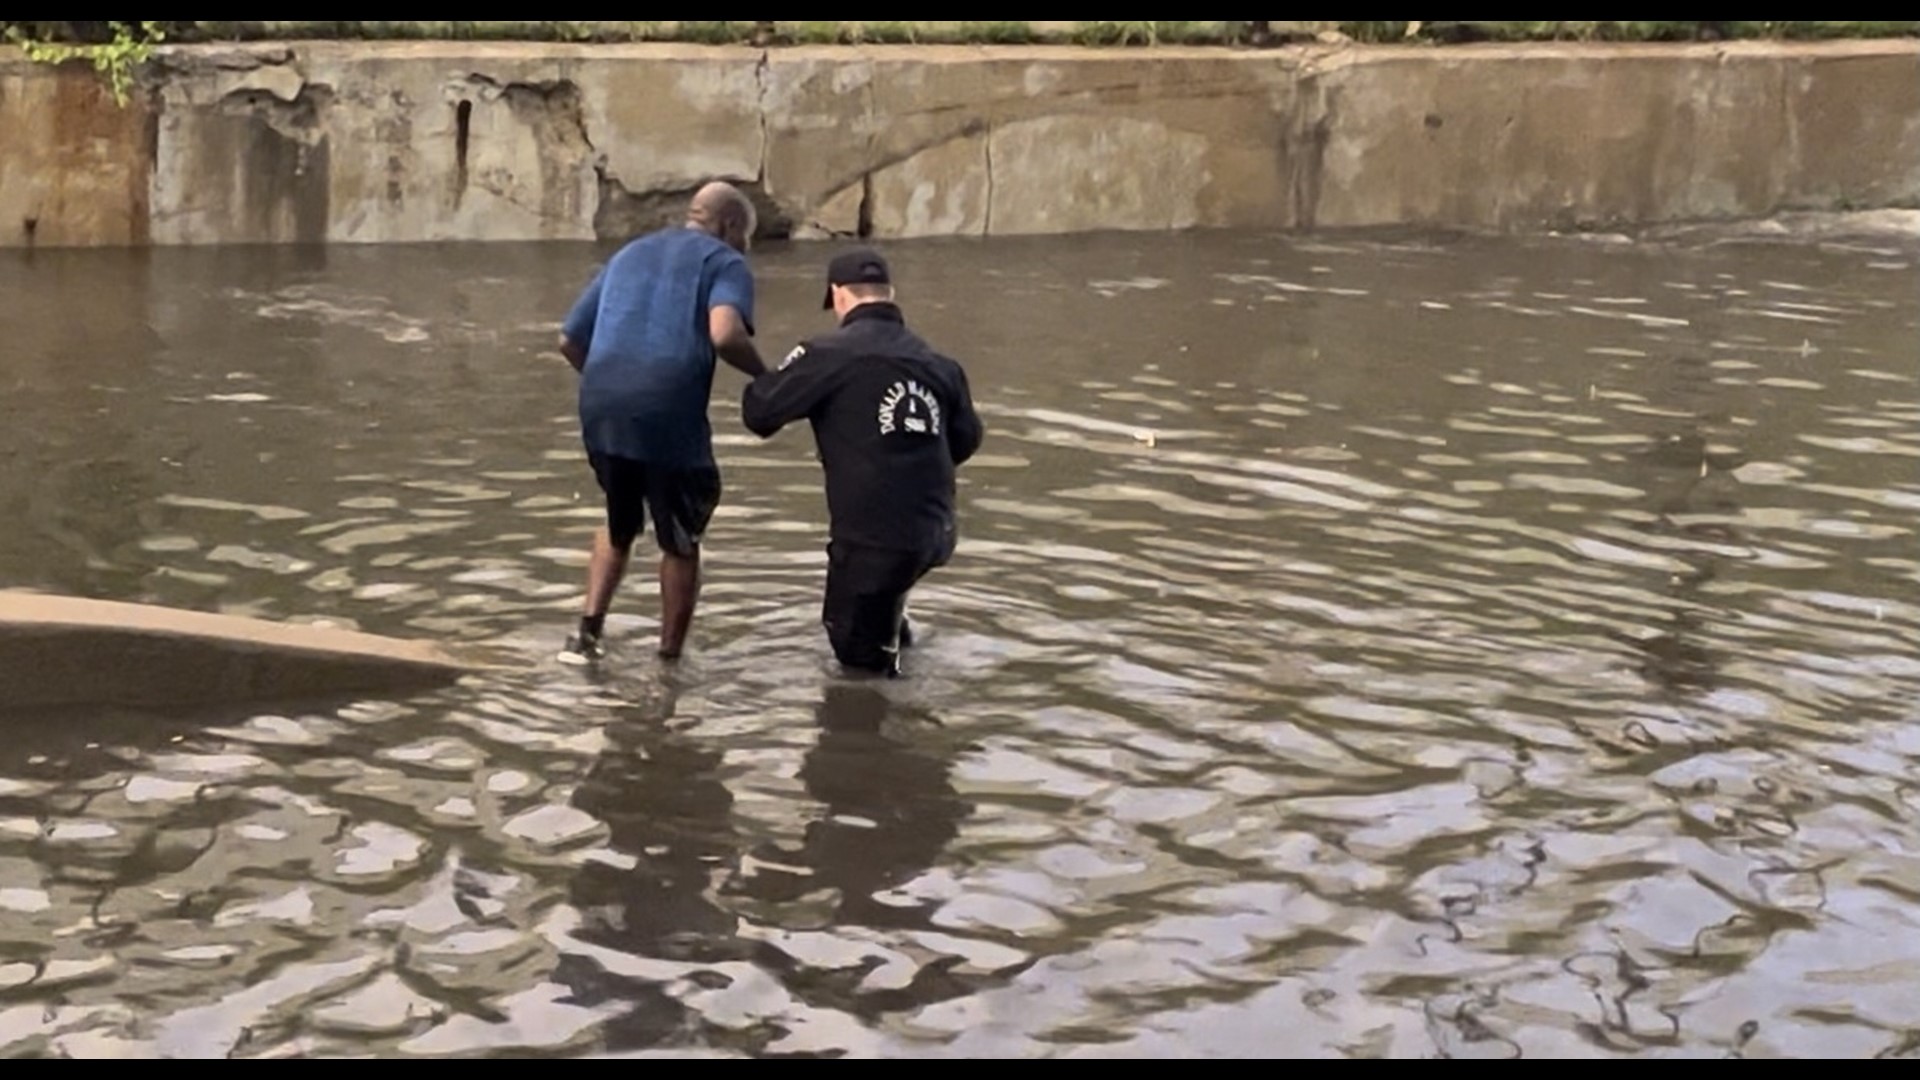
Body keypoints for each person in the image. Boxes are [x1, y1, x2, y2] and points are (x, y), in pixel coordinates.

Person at [740, 247, 984, 677]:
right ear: (889, 295)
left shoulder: (826, 353)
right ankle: (902, 657)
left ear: (838, 296)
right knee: (886, 603)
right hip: (936, 533)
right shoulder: (940, 364)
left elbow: (759, 413)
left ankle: (877, 732)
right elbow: (964, 442)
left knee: (853, 656)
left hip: (872, 541)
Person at [555, 181, 769, 665]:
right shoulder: (724, 261)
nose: (746, 248)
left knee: (619, 521)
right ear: (729, 225)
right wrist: (767, 377)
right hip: (667, 412)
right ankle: (668, 661)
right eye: (746, 237)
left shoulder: (630, 254)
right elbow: (725, 333)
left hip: (601, 404)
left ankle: (586, 637)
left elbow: (569, 339)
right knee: (679, 538)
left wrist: (613, 382)